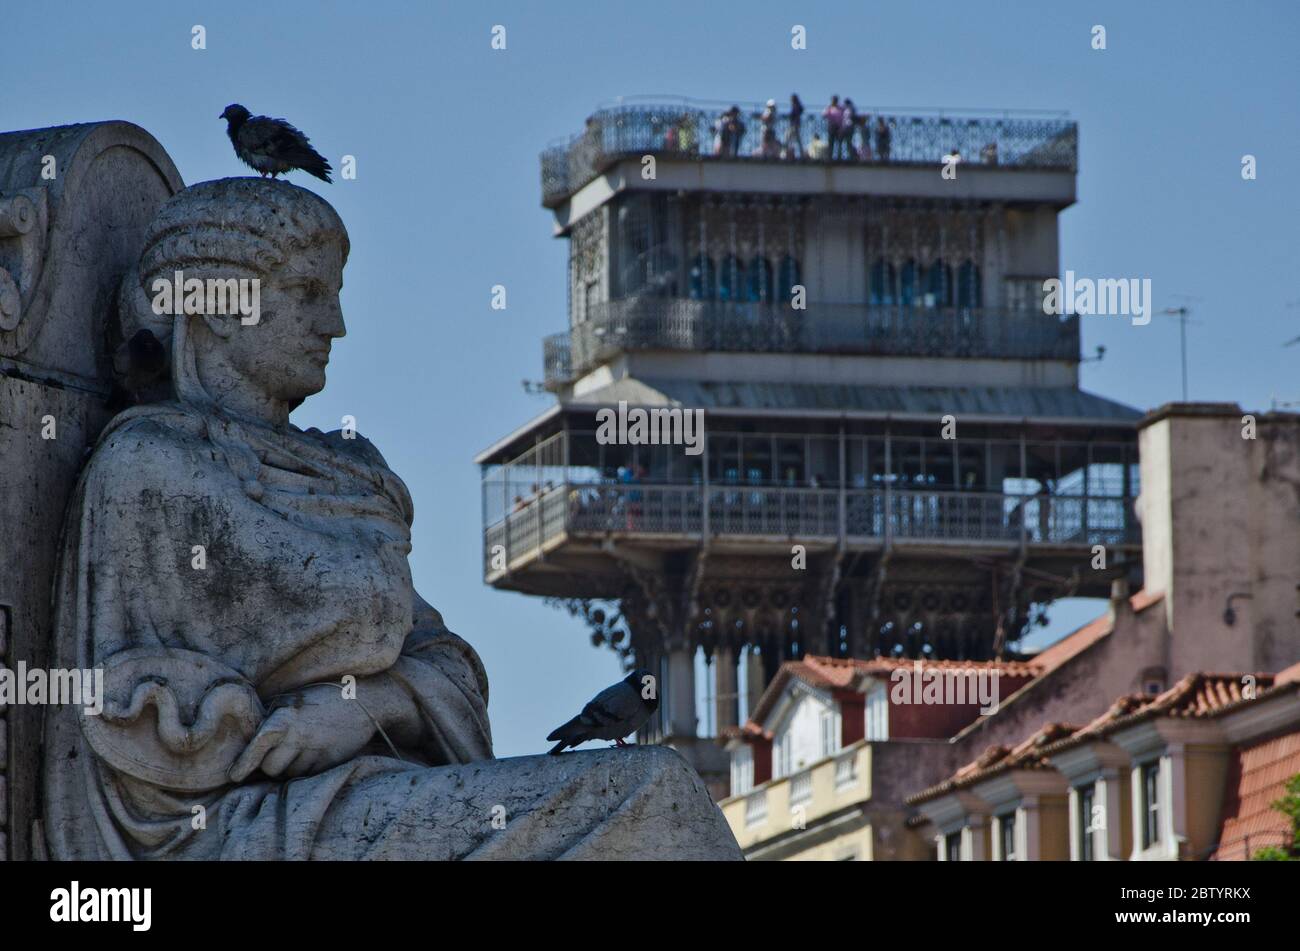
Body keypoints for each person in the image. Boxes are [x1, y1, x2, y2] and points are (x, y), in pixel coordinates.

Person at [783, 93, 804, 158]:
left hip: (794, 125)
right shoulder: (797, 106)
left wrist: (787, 116)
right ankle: (801, 153)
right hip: (796, 125)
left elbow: (792, 114)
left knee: (787, 137)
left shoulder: (796, 106)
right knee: (796, 139)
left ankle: (784, 152)